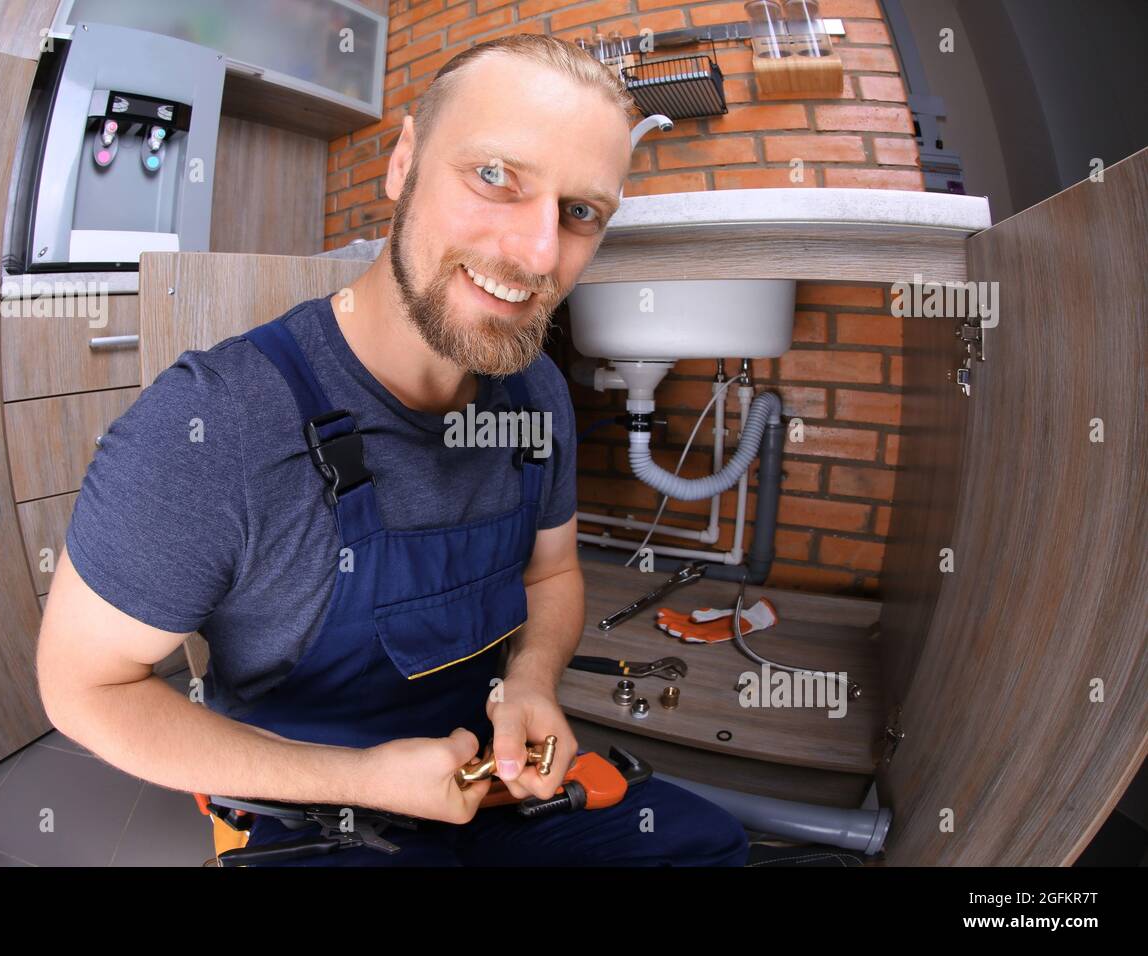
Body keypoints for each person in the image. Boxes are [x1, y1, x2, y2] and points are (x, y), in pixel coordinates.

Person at [37, 32, 748, 867]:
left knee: (707, 847)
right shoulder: (214, 427)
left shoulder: (539, 396)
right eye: (495, 177)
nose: (539, 254)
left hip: (495, 786)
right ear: (403, 163)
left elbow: (551, 575)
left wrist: (529, 684)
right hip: (315, 811)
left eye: (580, 212)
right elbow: (83, 688)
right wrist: (364, 778)